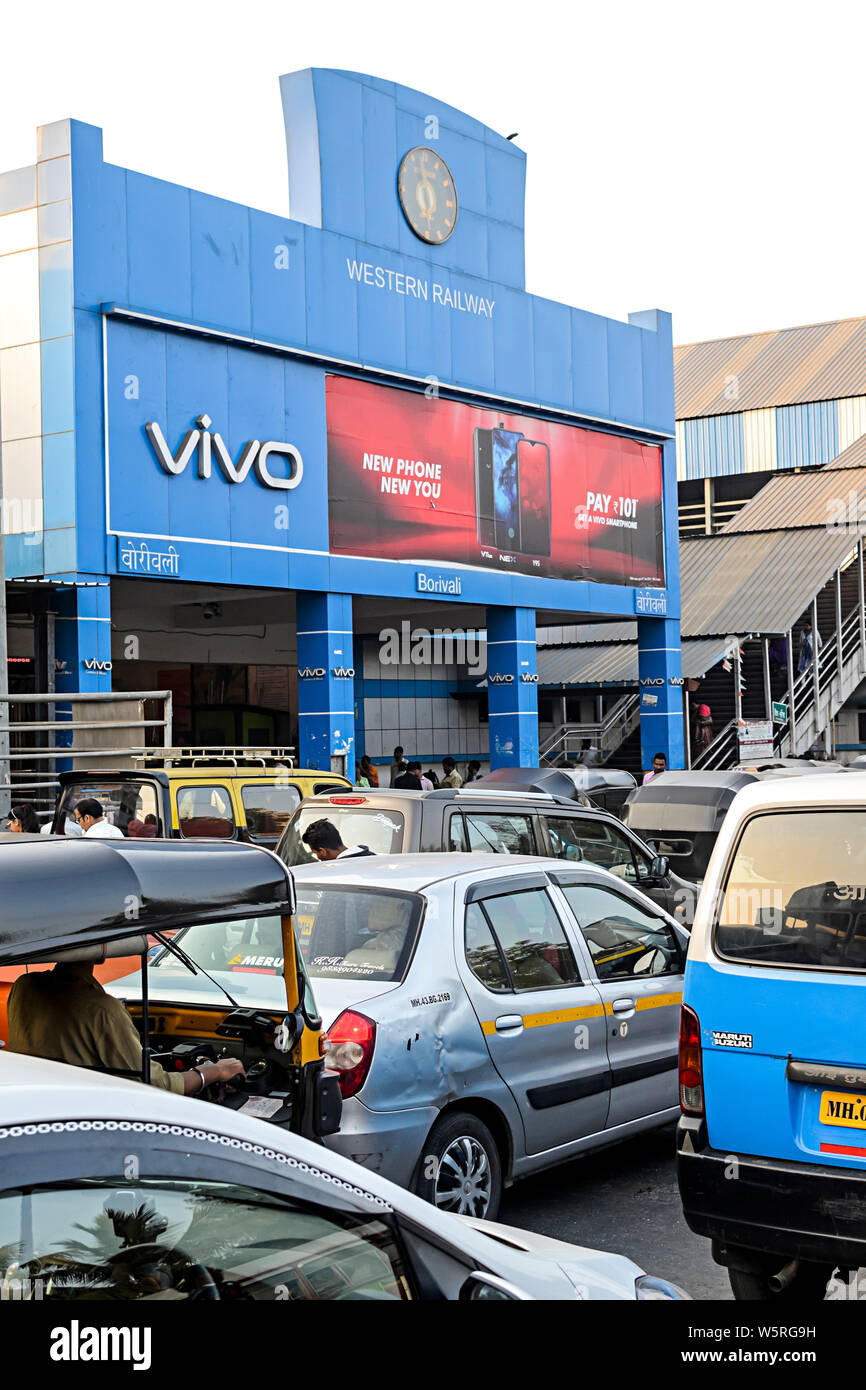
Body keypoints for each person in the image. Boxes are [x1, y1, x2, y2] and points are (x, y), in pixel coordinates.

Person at [6, 962, 244, 1095]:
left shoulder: (24, 985)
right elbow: (155, 1086)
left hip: (34, 1105)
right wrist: (213, 1071)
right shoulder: (103, 1010)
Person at [301, 818, 375, 861]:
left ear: (323, 851)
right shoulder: (373, 857)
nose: (318, 858)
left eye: (315, 853)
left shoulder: (338, 873)